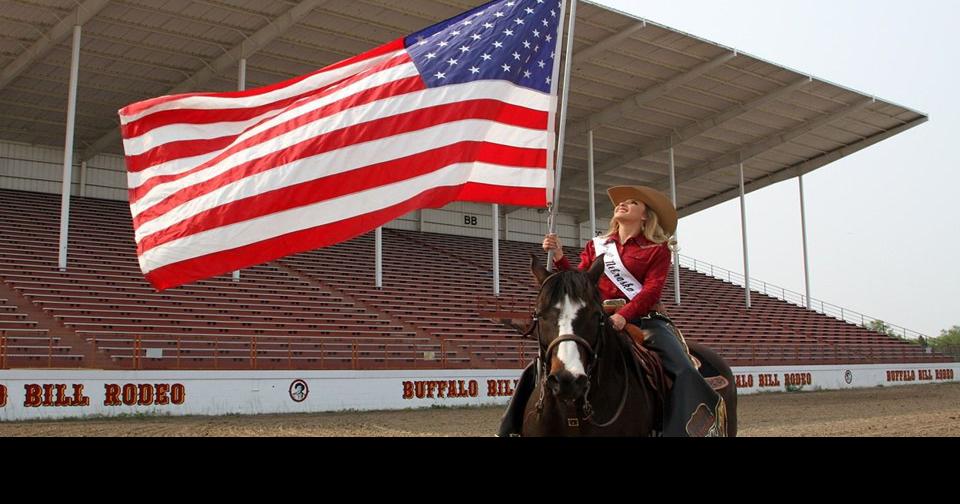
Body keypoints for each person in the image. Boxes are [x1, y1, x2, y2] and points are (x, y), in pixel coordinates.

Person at [498, 186, 725, 437]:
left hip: (645, 320)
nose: (622, 205)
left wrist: (623, 315)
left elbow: (651, 291)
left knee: (682, 368)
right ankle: (509, 428)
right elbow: (581, 282)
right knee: (540, 364)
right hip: (599, 318)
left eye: (632, 203)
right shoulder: (598, 245)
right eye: (621, 202)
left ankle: (681, 431)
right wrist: (561, 256)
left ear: (645, 216)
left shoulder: (656, 249)